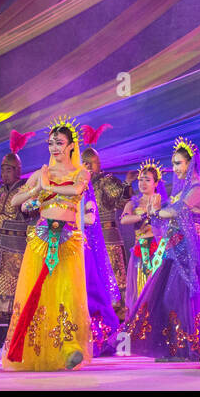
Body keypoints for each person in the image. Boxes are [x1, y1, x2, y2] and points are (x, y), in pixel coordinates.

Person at [3, 119, 92, 371]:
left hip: (68, 240)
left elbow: (75, 191)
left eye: (59, 143)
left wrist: (47, 187)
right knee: (38, 292)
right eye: (51, 143)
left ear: (71, 146)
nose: (54, 147)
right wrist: (34, 192)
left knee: (65, 292)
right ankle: (35, 348)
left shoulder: (80, 172)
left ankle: (69, 348)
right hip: (41, 239)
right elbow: (15, 202)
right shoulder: (40, 174)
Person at [128, 138, 200, 360]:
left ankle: (189, 347)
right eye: (173, 164)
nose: (175, 168)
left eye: (179, 163)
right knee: (167, 296)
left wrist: (154, 212)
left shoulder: (198, 188)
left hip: (191, 251)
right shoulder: (182, 189)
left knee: (182, 298)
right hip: (176, 247)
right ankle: (173, 347)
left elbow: (177, 211)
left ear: (190, 163)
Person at [0, 133, 34, 317]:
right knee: (0, 298)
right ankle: (6, 337)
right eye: (2, 170)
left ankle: (14, 335)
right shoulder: (3, 191)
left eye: (8, 170)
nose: (4, 174)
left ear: (17, 170)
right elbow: (0, 217)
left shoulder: (25, 188)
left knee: (15, 295)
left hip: (15, 250)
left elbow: (30, 211)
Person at [80, 123, 130, 306]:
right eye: (84, 163)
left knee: (113, 280)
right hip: (88, 237)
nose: (87, 167)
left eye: (90, 163)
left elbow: (123, 195)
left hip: (108, 237)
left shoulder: (107, 181)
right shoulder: (79, 185)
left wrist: (127, 186)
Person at [121, 162, 165, 308]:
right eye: (140, 179)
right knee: (141, 286)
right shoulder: (133, 203)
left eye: (147, 180)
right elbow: (124, 219)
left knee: (157, 287)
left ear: (156, 183)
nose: (143, 183)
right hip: (141, 249)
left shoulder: (162, 202)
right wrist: (143, 216)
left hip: (158, 249)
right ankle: (141, 322)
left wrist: (155, 212)